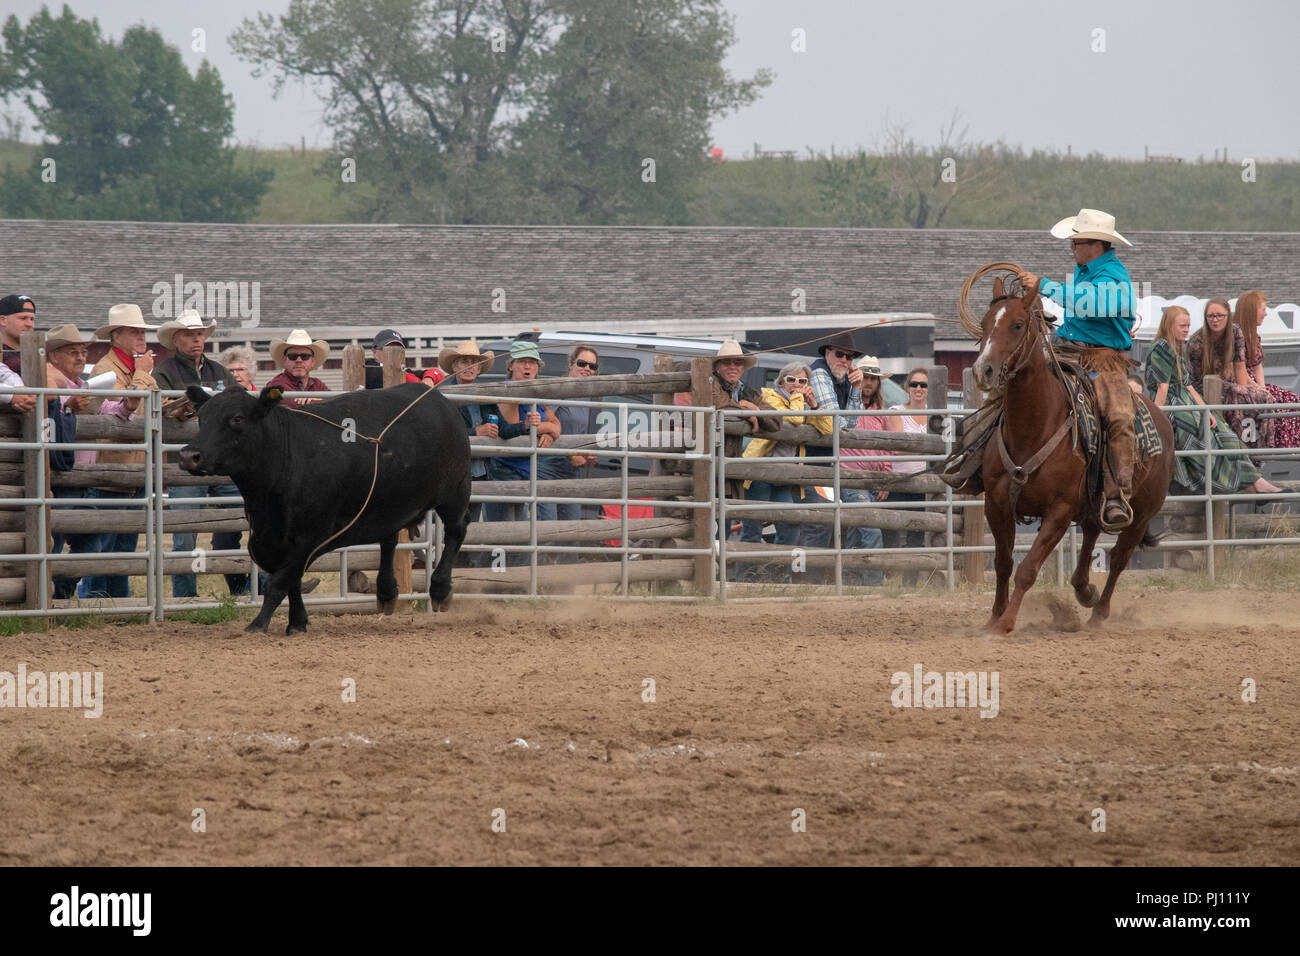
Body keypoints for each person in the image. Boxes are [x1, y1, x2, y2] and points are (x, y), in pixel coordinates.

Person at [1018, 208, 1139, 531]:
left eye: (1076, 243)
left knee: (1119, 417)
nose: (1072, 249)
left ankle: (1116, 494)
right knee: (1019, 381)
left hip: (1103, 358)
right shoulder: (1084, 270)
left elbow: (1090, 303)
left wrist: (1044, 285)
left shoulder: (1116, 276)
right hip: (1066, 349)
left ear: (1096, 245)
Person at [152, 310, 245, 598]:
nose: (196, 339)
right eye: (189, 334)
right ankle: (185, 597)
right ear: (176, 339)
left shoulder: (219, 370)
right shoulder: (164, 372)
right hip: (183, 464)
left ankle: (250, 587)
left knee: (239, 523)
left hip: (219, 462)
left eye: (199, 334)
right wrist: (187, 406)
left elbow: (240, 402)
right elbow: (162, 409)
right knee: (184, 535)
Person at [1145, 306, 1280, 496]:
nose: (1187, 329)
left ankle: (1256, 483)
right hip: (1172, 406)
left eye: (1188, 325)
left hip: (1186, 402)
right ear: (1169, 325)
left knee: (1227, 435)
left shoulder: (1175, 347)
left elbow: (1189, 386)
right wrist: (1156, 423)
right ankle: (1245, 485)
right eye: (1182, 325)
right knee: (1206, 439)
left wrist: (1206, 410)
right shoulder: (1162, 347)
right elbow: (1162, 388)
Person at [80, 304, 160, 599]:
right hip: (111, 472)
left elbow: (155, 408)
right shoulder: (106, 369)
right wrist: (141, 374)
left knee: (125, 546)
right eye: (134, 332)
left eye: (142, 331)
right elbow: (123, 413)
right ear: (116, 336)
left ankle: (119, 603)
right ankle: (95, 600)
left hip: (134, 469)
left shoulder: (136, 368)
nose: (141, 337)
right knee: (103, 544)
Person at [736, 361, 831, 583]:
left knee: (790, 528)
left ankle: (777, 576)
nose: (796, 385)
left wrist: (814, 403)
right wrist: (800, 396)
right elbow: (794, 420)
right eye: (791, 380)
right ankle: (744, 579)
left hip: (784, 478)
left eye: (802, 381)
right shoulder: (769, 397)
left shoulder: (802, 404)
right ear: (781, 381)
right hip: (760, 473)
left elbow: (828, 429)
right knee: (753, 527)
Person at [439, 339, 519, 567]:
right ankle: (454, 568)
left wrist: (525, 425)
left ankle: (462, 569)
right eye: (465, 361)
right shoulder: (447, 396)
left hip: (479, 473)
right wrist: (477, 431)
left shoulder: (484, 396)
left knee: (468, 525)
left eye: (474, 362)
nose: (470, 366)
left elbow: (503, 429)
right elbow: (446, 433)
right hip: (455, 474)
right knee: (454, 524)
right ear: (455, 366)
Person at [801, 331, 865, 581]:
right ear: (827, 353)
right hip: (812, 461)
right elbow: (836, 425)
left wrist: (857, 388)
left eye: (849, 357)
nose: (845, 360)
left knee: (823, 521)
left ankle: (817, 579)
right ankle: (811, 581)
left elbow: (850, 423)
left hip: (823, 461)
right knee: (817, 522)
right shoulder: (818, 373)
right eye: (839, 354)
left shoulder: (843, 378)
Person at [43, 325, 95, 599]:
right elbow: (49, 415)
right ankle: (50, 594)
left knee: (91, 537)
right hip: (61, 472)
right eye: (73, 352)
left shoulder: (85, 385)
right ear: (54, 357)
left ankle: (60, 592)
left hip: (84, 472)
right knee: (56, 536)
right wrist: (68, 408)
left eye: (83, 352)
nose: (80, 357)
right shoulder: (50, 382)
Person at [490, 341, 561, 539]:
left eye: (532, 362)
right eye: (522, 361)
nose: (527, 367)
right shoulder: (509, 390)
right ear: (511, 365)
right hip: (506, 468)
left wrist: (545, 432)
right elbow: (513, 429)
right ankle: (498, 567)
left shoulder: (537, 392)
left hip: (527, 467)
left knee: (519, 528)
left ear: (538, 367)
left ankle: (529, 563)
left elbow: (557, 425)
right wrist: (545, 429)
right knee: (506, 530)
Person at [1185, 298, 1273, 448]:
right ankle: (1238, 447)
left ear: (1227, 316)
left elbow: (1240, 367)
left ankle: (1264, 446)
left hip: (1231, 383)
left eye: (1220, 315)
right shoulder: (1196, 343)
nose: (1215, 319)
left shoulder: (1235, 331)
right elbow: (1197, 380)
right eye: (1211, 316)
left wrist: (1245, 394)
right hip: (1206, 387)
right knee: (1235, 398)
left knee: (1266, 397)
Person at [838, 355, 894, 586]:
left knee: (854, 531)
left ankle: (852, 581)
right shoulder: (844, 404)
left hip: (873, 480)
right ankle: (874, 583)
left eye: (873, 378)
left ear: (878, 383)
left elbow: (887, 447)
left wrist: (886, 478)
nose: (869, 382)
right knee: (871, 528)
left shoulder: (882, 412)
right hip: (850, 477)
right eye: (866, 377)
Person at [538, 345, 600, 531]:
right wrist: (570, 454)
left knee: (571, 528)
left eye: (592, 366)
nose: (587, 369)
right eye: (582, 363)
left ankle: (566, 560)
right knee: (549, 528)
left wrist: (587, 454)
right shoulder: (559, 389)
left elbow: (580, 435)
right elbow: (545, 428)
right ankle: (543, 560)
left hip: (571, 471)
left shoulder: (588, 397)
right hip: (547, 468)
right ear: (571, 364)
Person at [884, 366, 933, 585]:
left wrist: (914, 448)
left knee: (916, 530)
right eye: (914, 384)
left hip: (924, 483)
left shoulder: (934, 415)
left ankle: (910, 580)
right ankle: (887, 574)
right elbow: (896, 447)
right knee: (892, 529)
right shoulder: (896, 411)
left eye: (923, 385)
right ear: (907, 387)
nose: (918, 389)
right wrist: (928, 448)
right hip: (899, 480)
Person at [1235, 291, 1300, 448]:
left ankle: (1289, 444)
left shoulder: (1254, 336)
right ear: (1251, 311)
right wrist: (1258, 388)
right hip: (1243, 382)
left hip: (1255, 383)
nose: (1265, 314)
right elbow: (1239, 369)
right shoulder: (1237, 335)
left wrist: (1262, 386)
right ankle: (1277, 444)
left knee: (1293, 401)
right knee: (1276, 404)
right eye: (1262, 309)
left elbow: (1258, 365)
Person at [266, 330, 330, 407]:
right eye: (293, 356)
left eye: (305, 356)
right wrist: (320, 401)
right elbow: (293, 407)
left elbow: (338, 403)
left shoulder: (317, 384)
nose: (299, 360)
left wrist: (314, 401)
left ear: (312, 362)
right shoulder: (275, 385)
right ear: (285, 360)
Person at [0, 293, 37, 374]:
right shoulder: (2, 354)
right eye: (23, 318)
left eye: (32, 319)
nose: (29, 324)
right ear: (3, 320)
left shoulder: (39, 352)